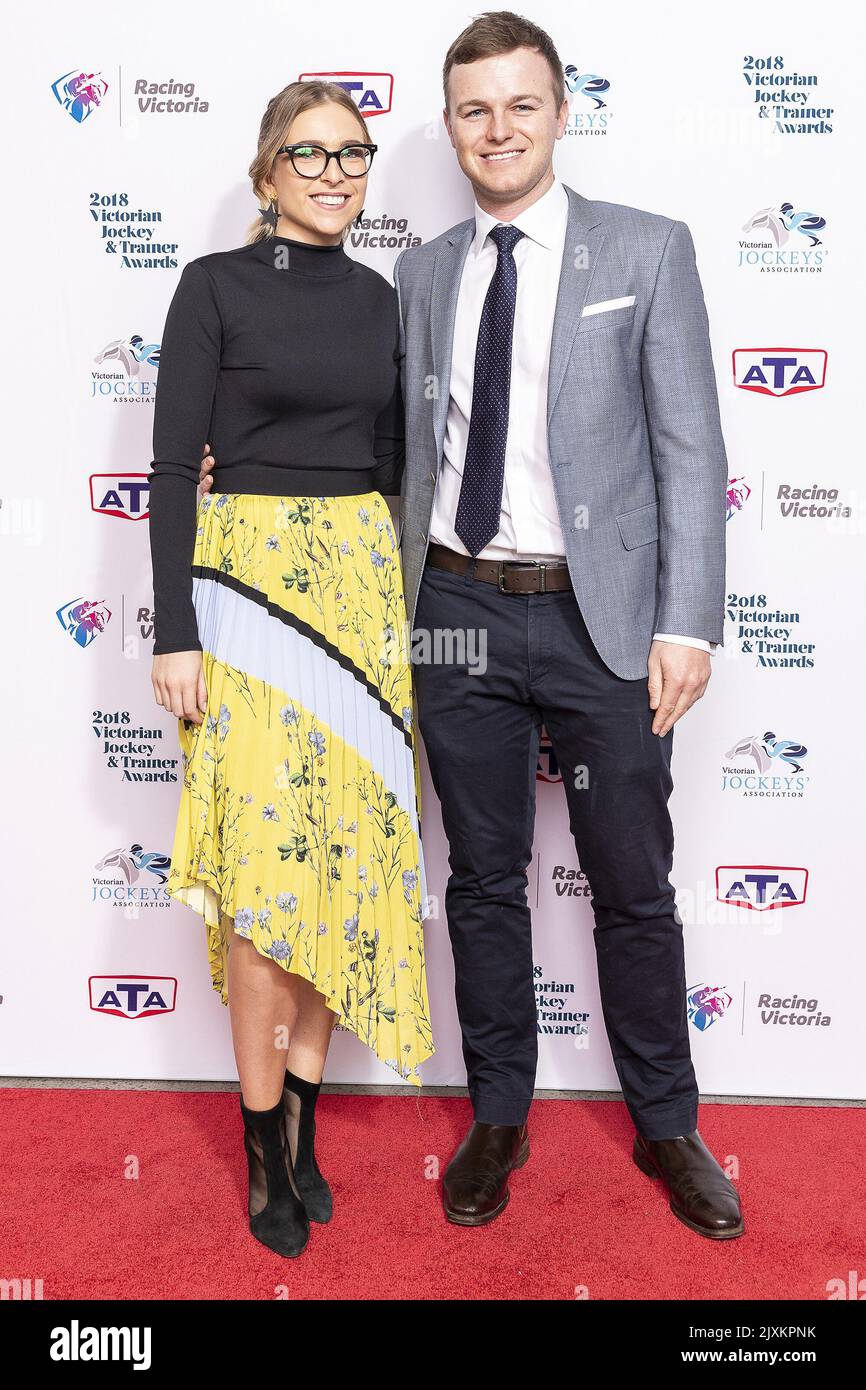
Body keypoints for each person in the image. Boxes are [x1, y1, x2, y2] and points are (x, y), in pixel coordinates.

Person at [201, 14, 744, 1241]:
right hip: (450, 617)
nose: (495, 131)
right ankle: (497, 1112)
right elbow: (371, 434)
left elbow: (690, 446)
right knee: (484, 880)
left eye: (518, 106)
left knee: (632, 885)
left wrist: (688, 624)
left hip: (601, 621)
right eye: (471, 111)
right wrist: (234, 476)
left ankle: (668, 1124)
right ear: (447, 129)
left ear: (560, 111)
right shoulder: (426, 269)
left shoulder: (646, 249)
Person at [147, 79, 433, 1260]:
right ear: (265, 171)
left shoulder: (380, 299)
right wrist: (174, 631)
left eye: (351, 153)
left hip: (360, 596)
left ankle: (305, 1132)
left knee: (346, 877)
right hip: (247, 597)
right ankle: (262, 1144)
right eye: (306, 152)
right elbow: (171, 470)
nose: (332, 171)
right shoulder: (209, 286)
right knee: (268, 895)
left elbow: (390, 467)